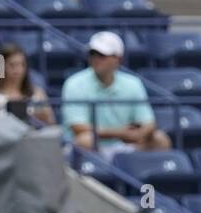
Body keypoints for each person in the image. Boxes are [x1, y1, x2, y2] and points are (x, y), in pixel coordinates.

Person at [61, 31, 169, 160]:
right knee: (85, 139)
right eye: (92, 54)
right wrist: (121, 133)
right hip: (93, 147)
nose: (96, 59)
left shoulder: (133, 83)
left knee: (160, 139)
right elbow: (79, 127)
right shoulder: (74, 83)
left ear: (118, 59)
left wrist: (139, 134)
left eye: (102, 55)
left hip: (125, 145)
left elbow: (149, 122)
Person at [0, 43, 56, 127]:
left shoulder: (37, 93)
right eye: (12, 65)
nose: (18, 70)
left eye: (22, 65)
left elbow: (51, 124)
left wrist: (44, 115)